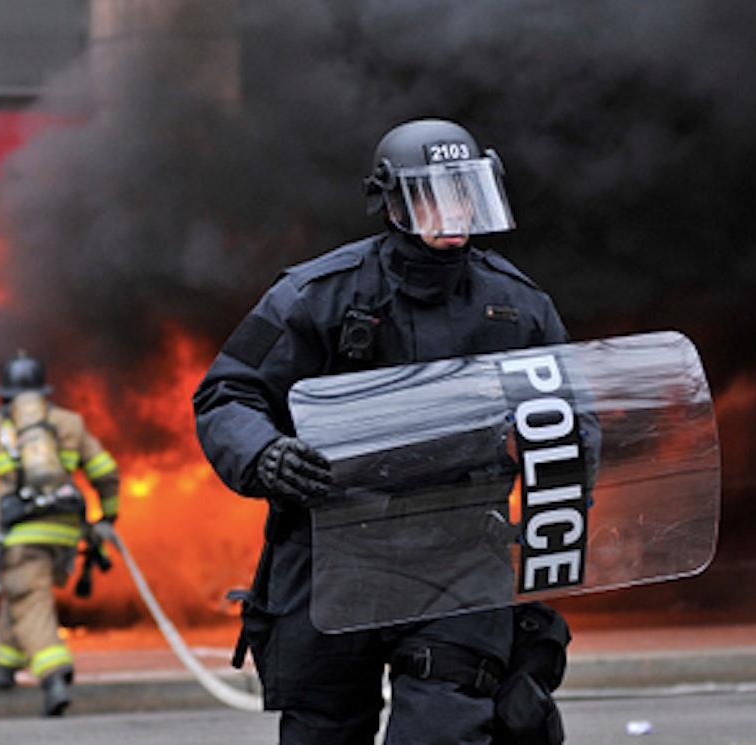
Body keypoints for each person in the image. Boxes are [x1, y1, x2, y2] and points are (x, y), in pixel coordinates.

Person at [194, 119, 575, 745]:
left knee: (445, 728)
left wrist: (553, 533)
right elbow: (227, 393)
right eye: (432, 195)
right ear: (391, 202)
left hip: (457, 558)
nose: (452, 213)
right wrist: (265, 454)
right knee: (324, 730)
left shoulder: (520, 308)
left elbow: (568, 430)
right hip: (333, 553)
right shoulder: (314, 296)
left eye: (465, 193)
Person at [0, 351, 121, 717]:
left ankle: (54, 675)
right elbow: (105, 472)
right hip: (64, 531)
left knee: (30, 598)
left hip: (17, 535)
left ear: (5, 394)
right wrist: (107, 516)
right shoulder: (69, 423)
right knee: (22, 591)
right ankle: (4, 666)